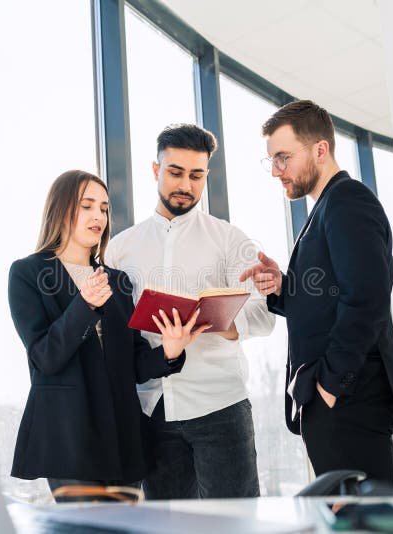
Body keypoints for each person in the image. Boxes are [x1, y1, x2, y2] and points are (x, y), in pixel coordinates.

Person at [240, 100, 393, 491]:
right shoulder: (326, 208)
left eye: (283, 157)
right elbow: (334, 297)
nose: (275, 171)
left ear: (320, 149)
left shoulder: (348, 203)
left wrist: (331, 386)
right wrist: (285, 287)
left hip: (349, 400)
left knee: (367, 522)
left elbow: (366, 300)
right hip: (338, 402)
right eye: (271, 161)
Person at [7, 170, 210, 498]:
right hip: (68, 433)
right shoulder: (28, 273)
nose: (98, 215)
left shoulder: (118, 280)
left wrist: (170, 351)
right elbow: (45, 356)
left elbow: (134, 361)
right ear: (60, 209)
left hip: (122, 434)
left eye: (103, 208)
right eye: (87, 206)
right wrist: (84, 305)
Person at [104, 124, 275, 499]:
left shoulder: (229, 239)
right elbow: (115, 334)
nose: (186, 184)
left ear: (206, 176)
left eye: (196, 175)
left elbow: (265, 315)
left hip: (220, 406)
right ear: (155, 171)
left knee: (237, 524)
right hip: (152, 409)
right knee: (168, 525)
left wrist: (220, 323)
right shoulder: (120, 249)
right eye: (175, 172)